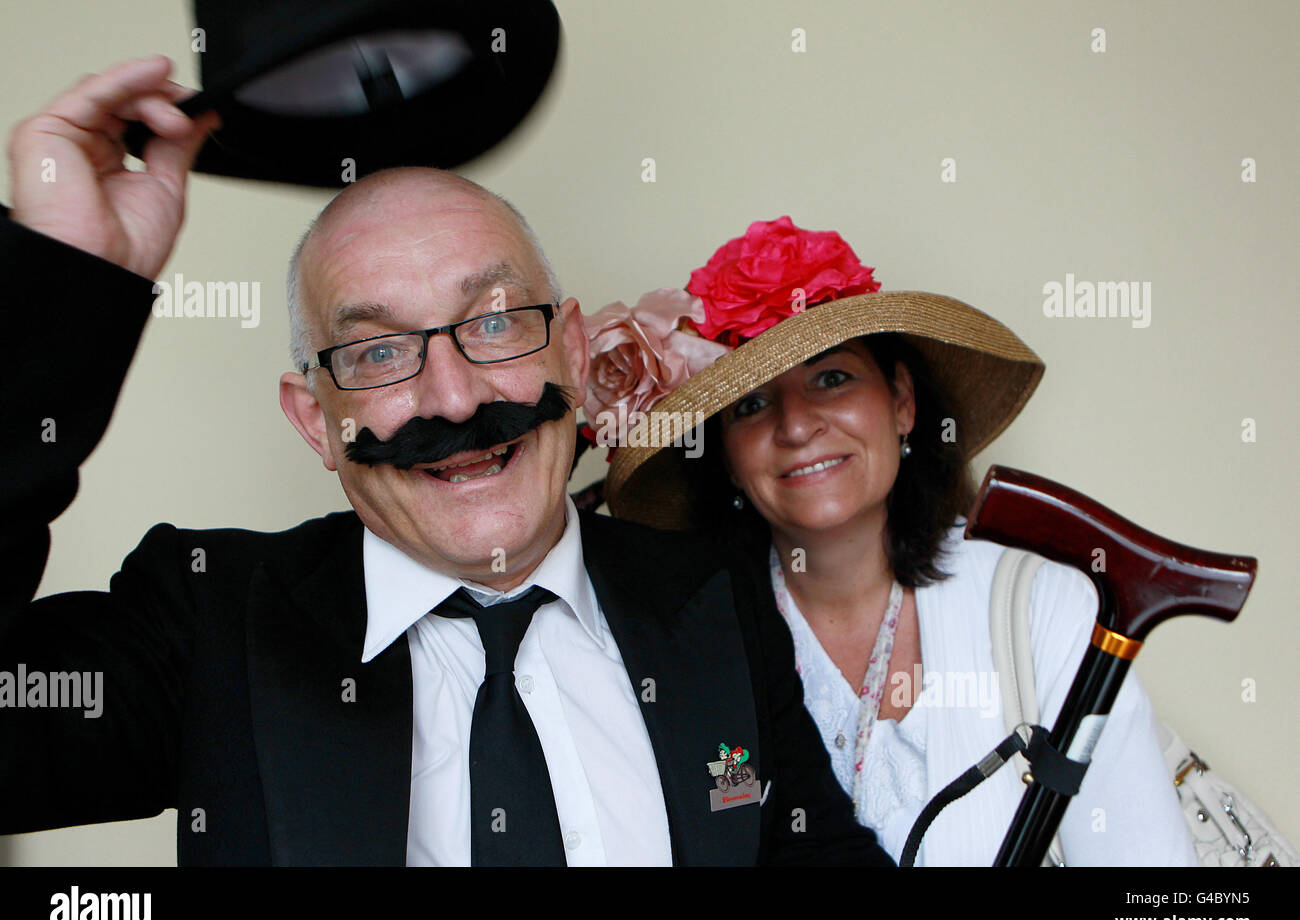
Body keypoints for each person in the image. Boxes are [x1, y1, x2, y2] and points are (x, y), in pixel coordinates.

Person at [0, 57, 892, 866]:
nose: (456, 399)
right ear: (316, 422)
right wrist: (65, 283)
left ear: (575, 354)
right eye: (379, 352)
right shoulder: (206, 623)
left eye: (496, 322)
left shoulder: (715, 595)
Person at [592, 216, 1197, 865]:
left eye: (832, 379)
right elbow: (724, 837)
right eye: (751, 404)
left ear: (902, 402)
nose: (797, 427)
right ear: (726, 459)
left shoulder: (1038, 606)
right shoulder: (703, 648)